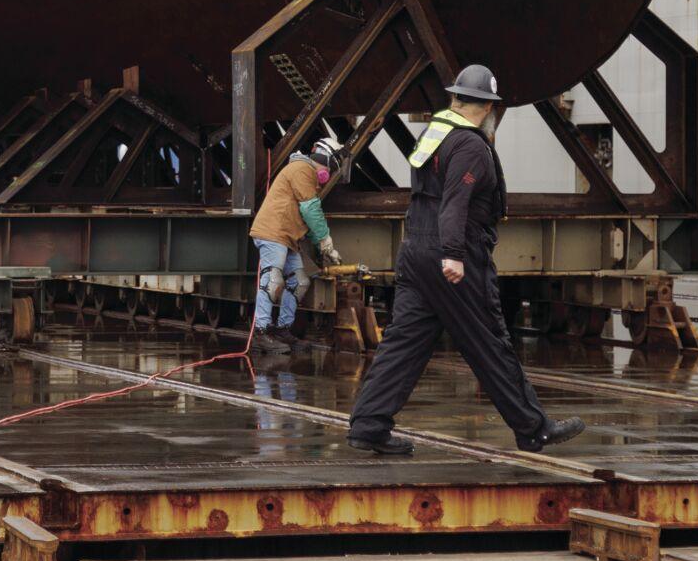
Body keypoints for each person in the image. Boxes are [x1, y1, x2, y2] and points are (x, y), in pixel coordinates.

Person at [347, 64, 584, 456]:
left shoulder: (434, 132)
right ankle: (533, 428)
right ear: (490, 106)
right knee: (490, 342)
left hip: (416, 251)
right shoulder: (471, 145)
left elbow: (427, 193)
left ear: (456, 98)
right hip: (453, 257)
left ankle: (369, 425)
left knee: (404, 342)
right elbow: (455, 202)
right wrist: (454, 255)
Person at [246, 137, 346, 353]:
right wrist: (326, 243)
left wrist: (322, 247)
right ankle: (261, 332)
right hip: (274, 232)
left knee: (299, 281)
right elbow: (311, 210)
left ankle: (283, 329)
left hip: (288, 237)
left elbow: (306, 217)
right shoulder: (303, 169)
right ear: (326, 160)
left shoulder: (306, 174)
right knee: (272, 279)